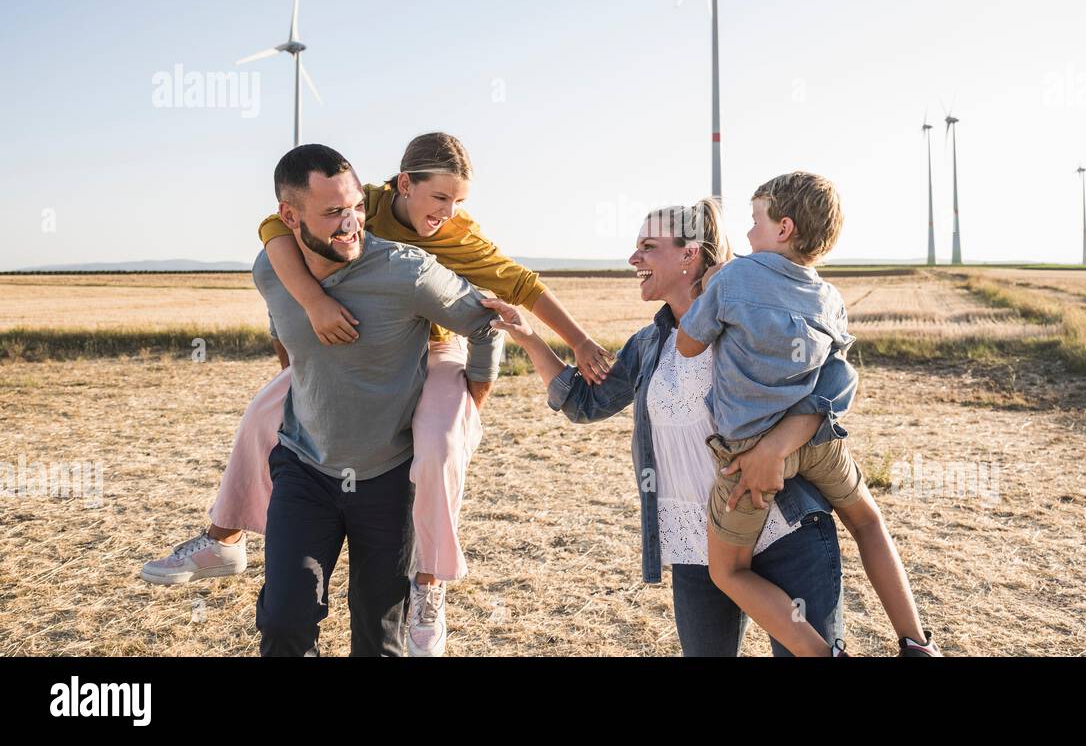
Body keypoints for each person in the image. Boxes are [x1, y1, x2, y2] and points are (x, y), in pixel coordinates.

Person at [140, 132, 613, 656]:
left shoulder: (437, 250)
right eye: (439, 199)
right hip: (321, 431)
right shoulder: (319, 230)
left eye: (458, 201)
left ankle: (429, 583)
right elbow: (275, 237)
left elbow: (511, 292)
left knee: (439, 447)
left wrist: (570, 346)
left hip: (429, 361)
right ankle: (223, 539)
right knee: (259, 420)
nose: (448, 212)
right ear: (402, 184)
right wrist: (312, 318)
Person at [485, 199, 850, 655]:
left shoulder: (746, 324)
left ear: (688, 255)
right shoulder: (648, 345)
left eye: (647, 247)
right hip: (698, 544)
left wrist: (775, 450)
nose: (633, 259)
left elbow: (831, 384)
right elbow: (584, 403)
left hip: (784, 527)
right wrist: (528, 336)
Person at [246, 143, 504, 655]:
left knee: (378, 637)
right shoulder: (271, 270)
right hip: (305, 469)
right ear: (289, 217)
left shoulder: (408, 271)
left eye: (357, 206)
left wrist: (472, 399)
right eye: (333, 212)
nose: (351, 223)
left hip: (389, 480)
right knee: (283, 621)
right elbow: (282, 331)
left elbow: (486, 323)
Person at [675, 171, 939, 657]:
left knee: (727, 571)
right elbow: (835, 380)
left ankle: (821, 653)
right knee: (868, 524)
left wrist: (707, 288)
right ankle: (916, 642)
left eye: (756, 221)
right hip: (818, 444)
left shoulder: (733, 278)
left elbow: (689, 345)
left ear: (784, 228)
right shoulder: (830, 298)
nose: (748, 234)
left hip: (750, 451)